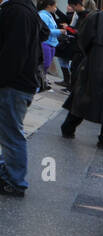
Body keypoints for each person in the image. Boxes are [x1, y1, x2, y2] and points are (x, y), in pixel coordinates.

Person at [60, 0, 103, 146]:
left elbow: (83, 37)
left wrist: (88, 53)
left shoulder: (98, 16)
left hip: (94, 59)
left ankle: (68, 128)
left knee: (83, 97)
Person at [0, 0, 42, 197]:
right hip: (19, 83)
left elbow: (13, 53)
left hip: (13, 85)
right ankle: (9, 172)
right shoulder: (24, 9)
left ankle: (15, 181)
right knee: (10, 132)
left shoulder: (17, 10)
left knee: (11, 134)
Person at [37, 0, 61, 91]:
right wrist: (59, 31)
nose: (56, 8)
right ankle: (39, 81)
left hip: (51, 43)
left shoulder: (49, 15)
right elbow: (46, 30)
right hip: (46, 42)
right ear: (49, 6)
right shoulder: (43, 15)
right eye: (55, 6)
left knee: (46, 64)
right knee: (44, 64)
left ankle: (42, 81)